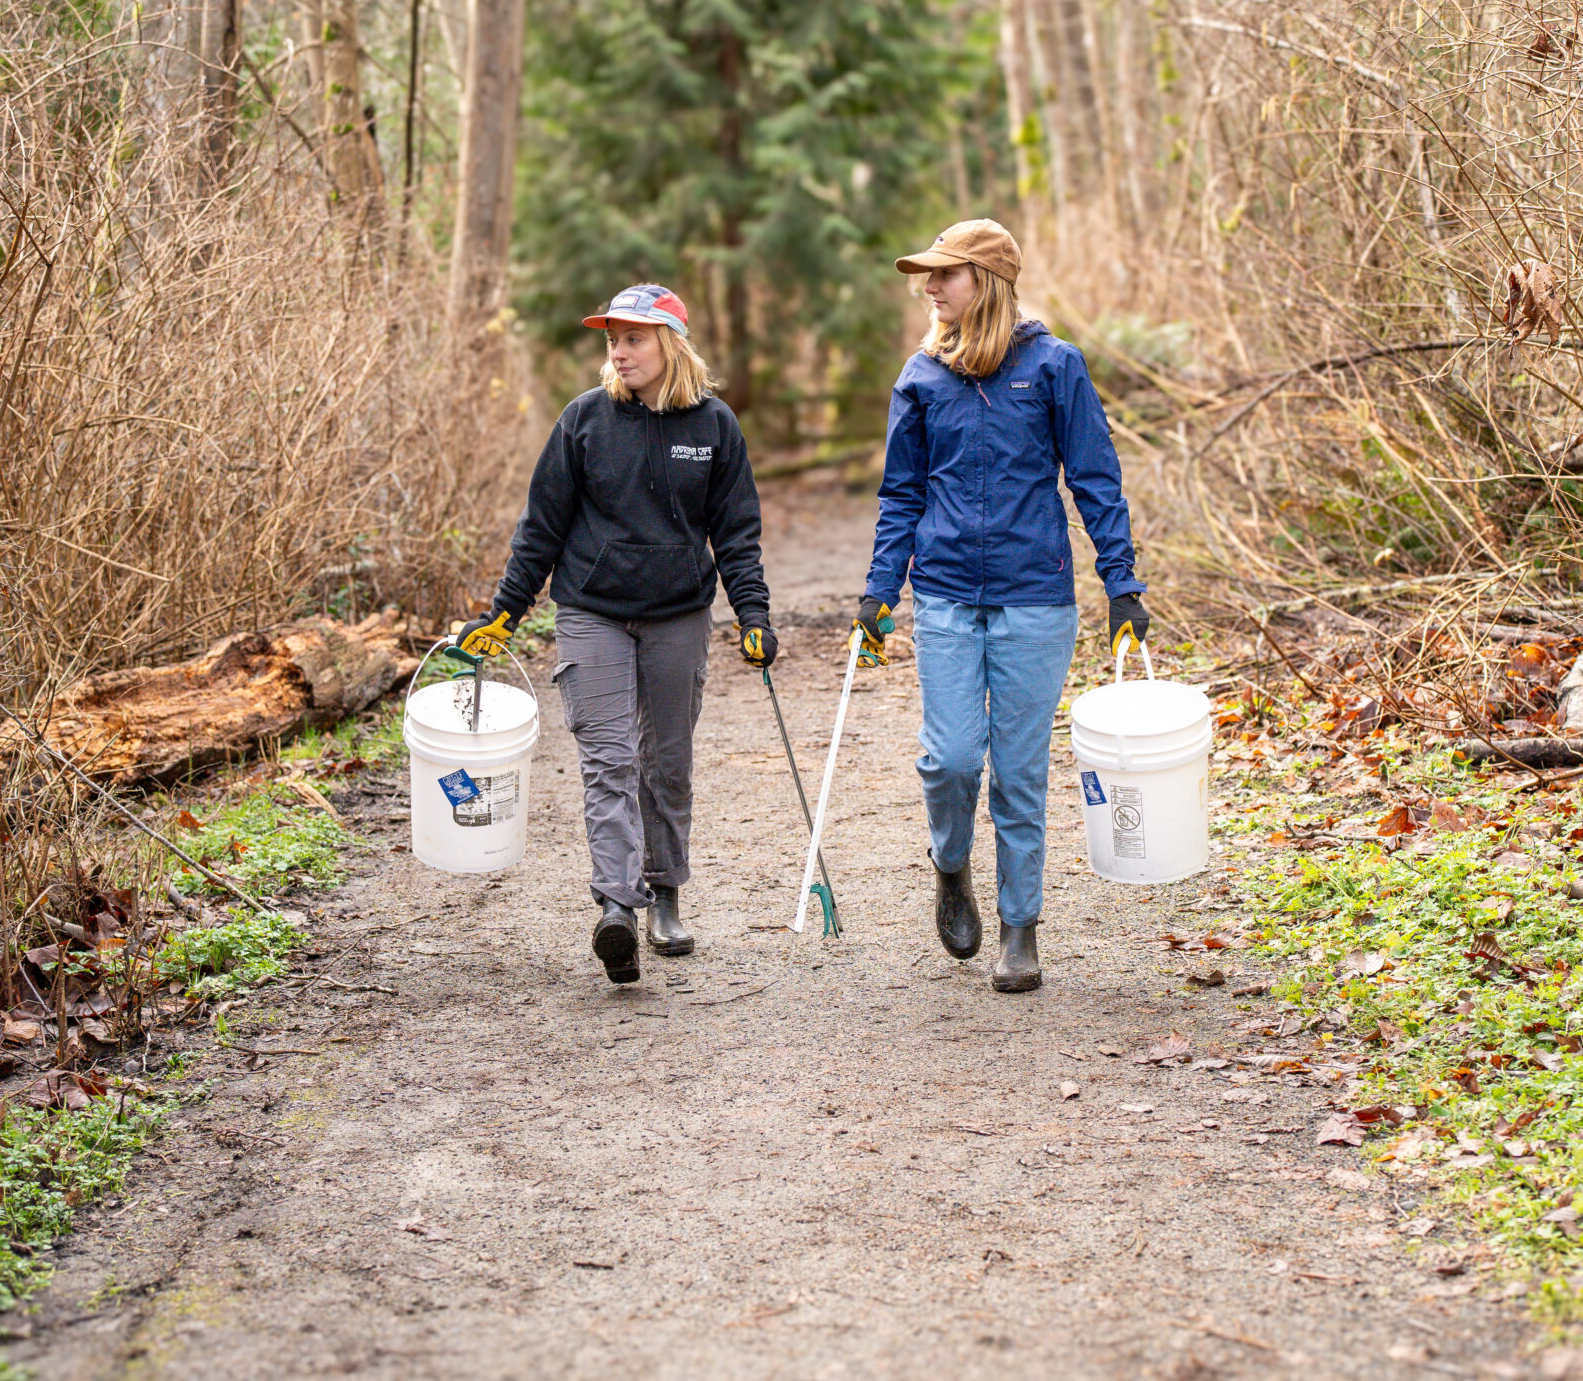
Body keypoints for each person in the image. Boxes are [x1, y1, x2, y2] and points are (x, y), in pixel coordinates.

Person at [856, 220, 1148, 994]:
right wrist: (881, 590)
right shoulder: (921, 376)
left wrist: (1122, 582)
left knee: (1018, 773)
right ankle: (951, 868)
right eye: (927, 276)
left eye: (944, 274)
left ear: (983, 281)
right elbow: (902, 495)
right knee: (950, 759)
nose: (929, 287)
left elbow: (1095, 478)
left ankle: (1021, 928)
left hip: (1035, 600)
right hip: (947, 595)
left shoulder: (1055, 367)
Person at [457, 284, 777, 985]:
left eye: (634, 338)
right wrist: (504, 612)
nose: (620, 351)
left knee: (666, 761)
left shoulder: (714, 426)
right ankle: (617, 907)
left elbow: (738, 534)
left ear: (670, 343)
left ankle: (665, 893)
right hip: (591, 610)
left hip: (678, 612)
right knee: (608, 760)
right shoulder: (584, 422)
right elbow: (540, 528)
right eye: (613, 340)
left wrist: (752, 613)